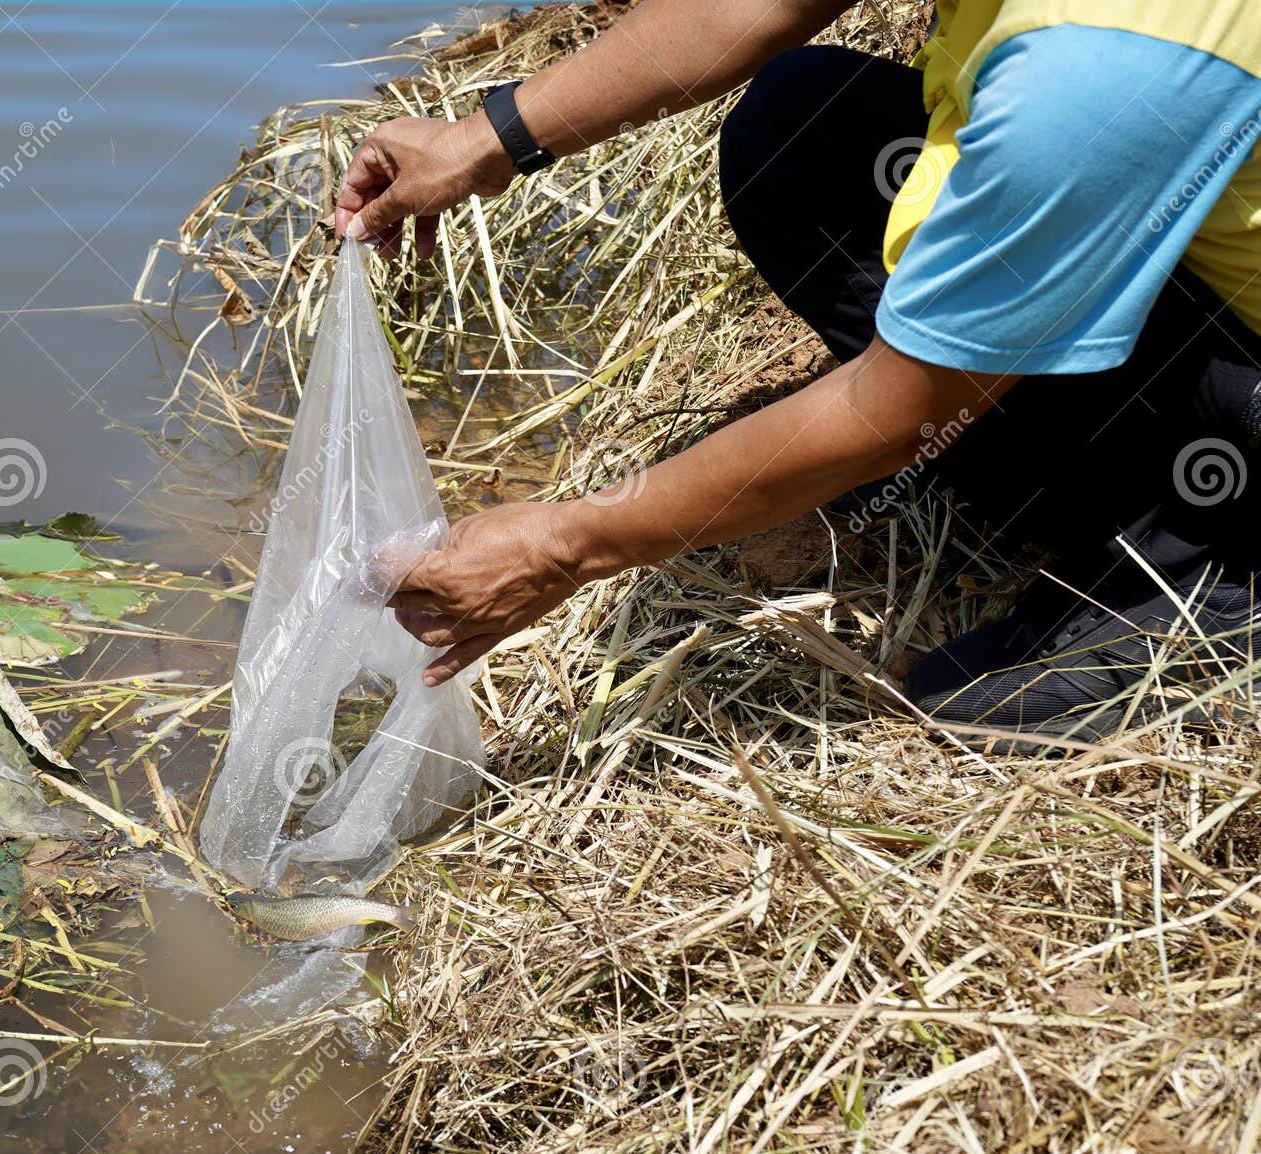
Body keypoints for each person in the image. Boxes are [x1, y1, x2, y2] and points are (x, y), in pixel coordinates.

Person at [334, 0, 1261, 739]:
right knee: (798, 127)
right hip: (1149, 220)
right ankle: (1064, 464)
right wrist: (487, 138)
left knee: (956, 699)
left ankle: (1209, 568)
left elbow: (894, 407)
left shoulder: (1094, 72)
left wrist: (561, 546)